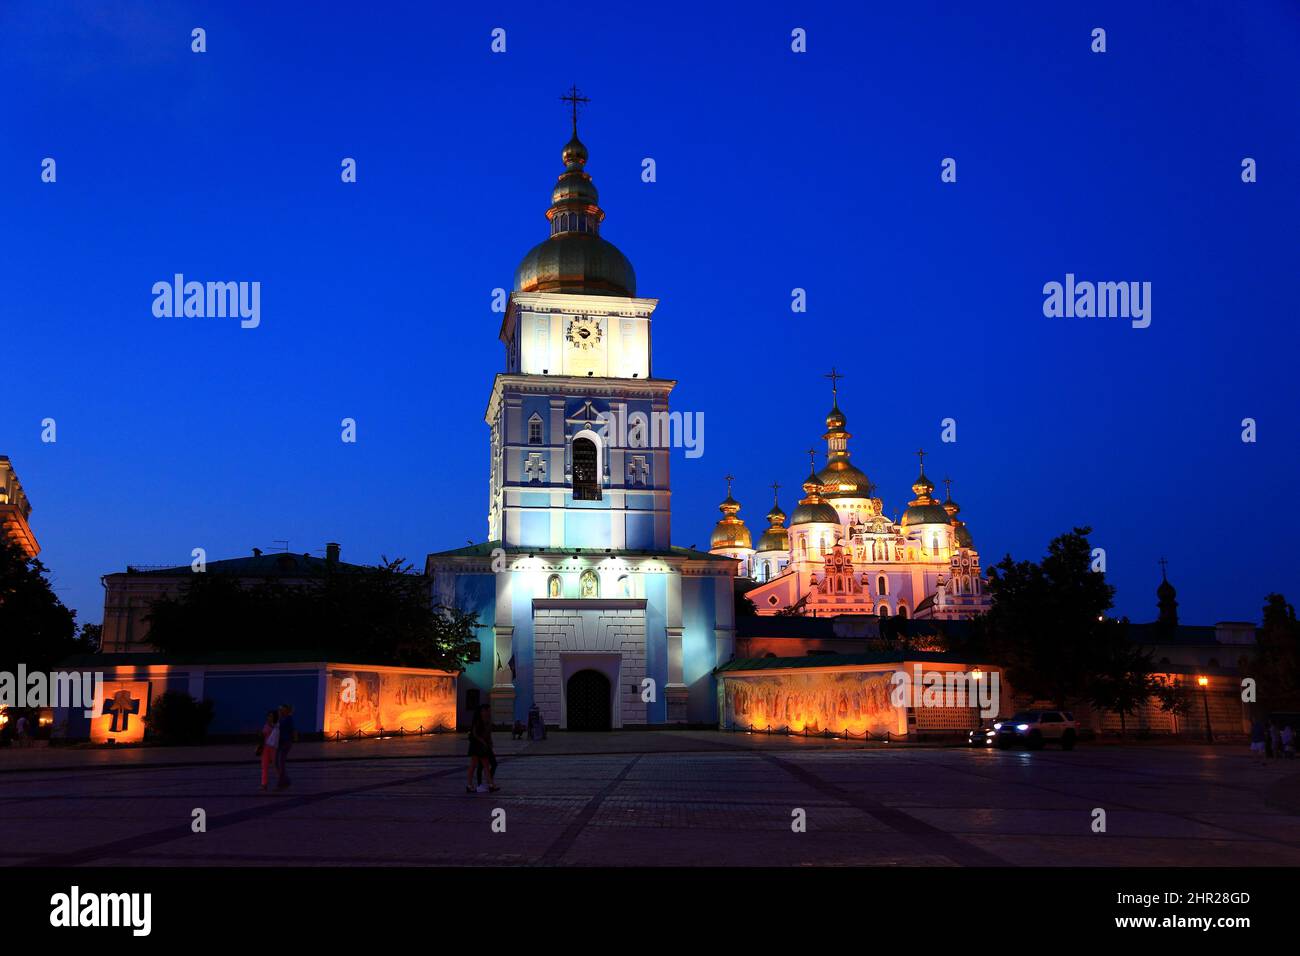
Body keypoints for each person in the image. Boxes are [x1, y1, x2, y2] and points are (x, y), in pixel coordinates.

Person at [465, 704, 497, 793]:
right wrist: (483, 742)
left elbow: (487, 734)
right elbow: (475, 734)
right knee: (476, 765)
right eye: (487, 710)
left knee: (483, 765)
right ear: (482, 711)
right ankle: (472, 785)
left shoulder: (487, 721)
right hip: (478, 746)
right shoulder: (478, 721)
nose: (488, 712)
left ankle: (472, 785)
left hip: (480, 746)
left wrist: (489, 743)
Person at [275, 704, 296, 789]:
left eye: (282, 710)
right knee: (277, 762)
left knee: (280, 762)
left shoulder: (288, 719)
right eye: (279, 709)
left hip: (285, 742)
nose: (280, 711)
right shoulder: (281, 719)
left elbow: (291, 730)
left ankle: (282, 782)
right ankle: (286, 780)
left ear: (286, 711)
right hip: (279, 742)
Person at [258, 709, 280, 791]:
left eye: (271, 716)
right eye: (268, 716)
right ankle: (264, 784)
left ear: (274, 717)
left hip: (274, 748)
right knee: (264, 766)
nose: (269, 718)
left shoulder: (277, 725)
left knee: (276, 766)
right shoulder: (266, 725)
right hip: (266, 748)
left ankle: (280, 783)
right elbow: (263, 736)